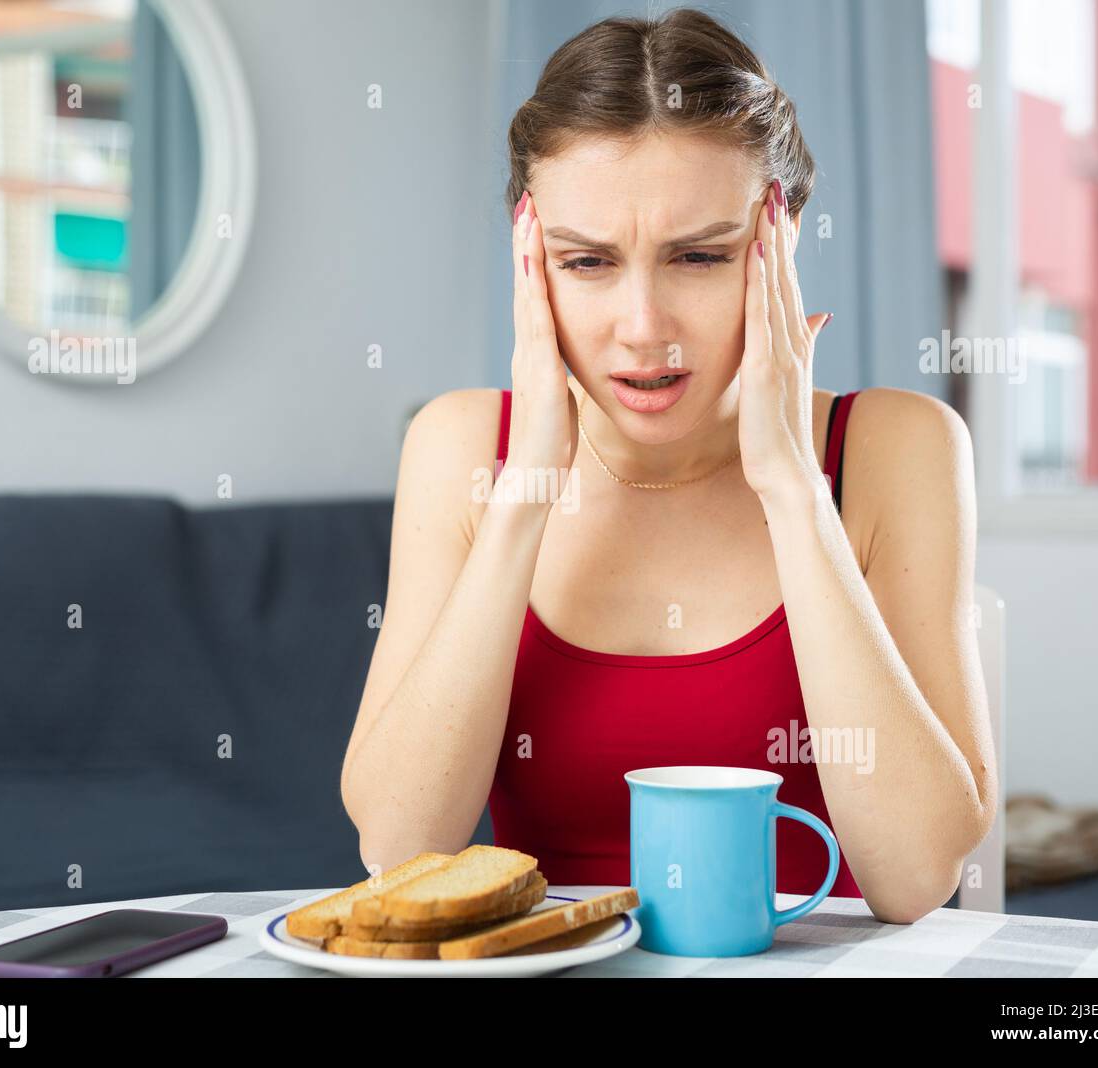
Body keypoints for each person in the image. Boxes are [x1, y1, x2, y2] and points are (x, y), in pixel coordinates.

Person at [341, 8, 996, 924]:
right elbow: (401, 852)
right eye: (587, 262)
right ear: (531, 260)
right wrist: (528, 485)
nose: (642, 327)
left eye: (699, 256)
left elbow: (918, 878)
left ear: (782, 240)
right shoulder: (459, 449)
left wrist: (793, 490)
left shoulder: (897, 448)